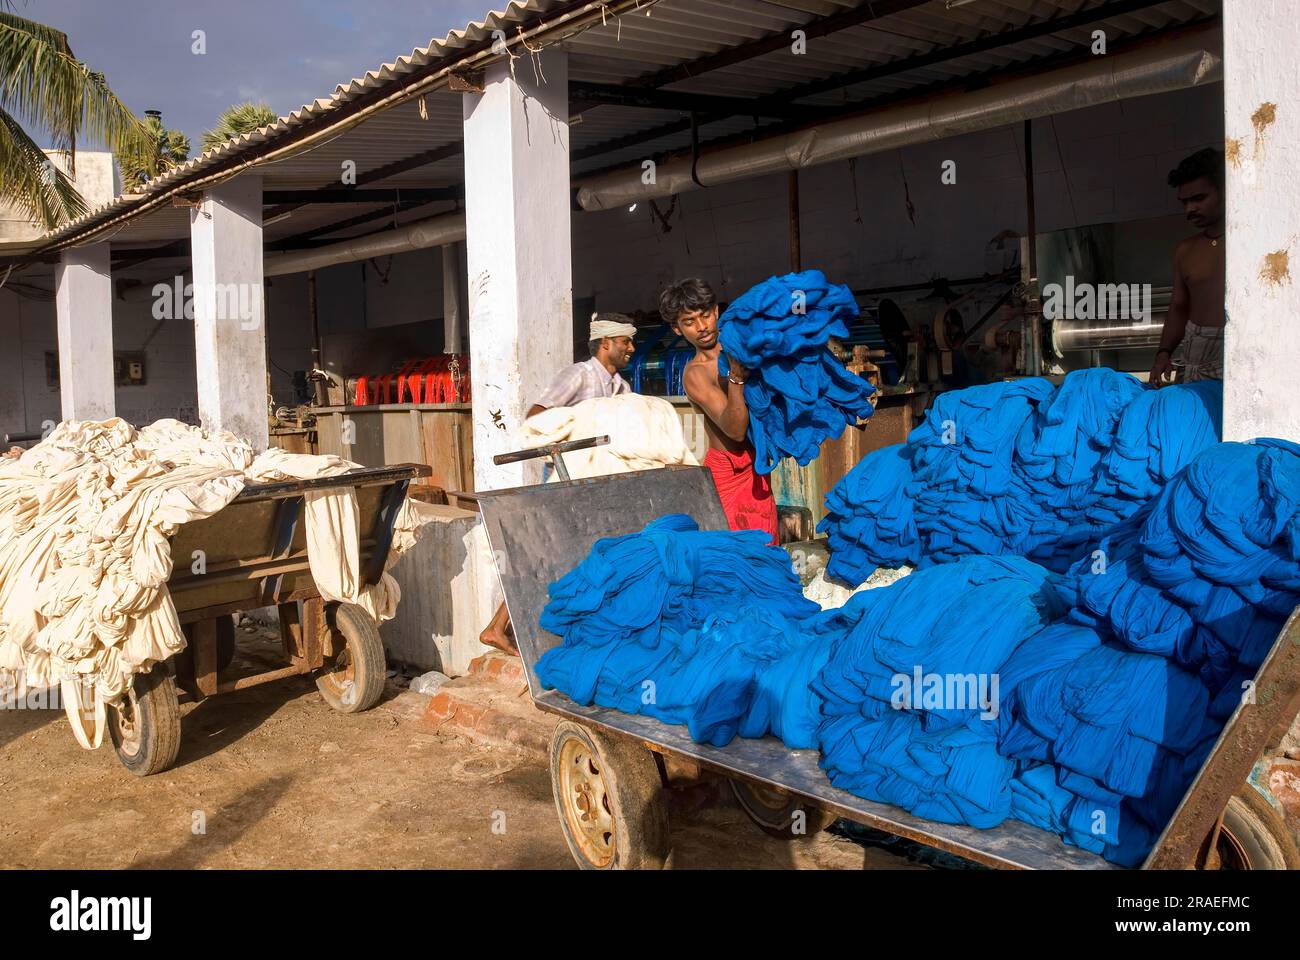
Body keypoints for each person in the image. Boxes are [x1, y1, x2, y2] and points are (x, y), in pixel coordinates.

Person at [479, 313, 639, 655]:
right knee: (546, 551)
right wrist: (577, 429)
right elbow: (536, 416)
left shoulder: (621, 388)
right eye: (625, 341)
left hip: (597, 482)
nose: (631, 347)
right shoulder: (578, 376)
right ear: (606, 343)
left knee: (581, 553)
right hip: (565, 476)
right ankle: (497, 627)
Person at [658, 277, 778, 543]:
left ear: (716, 312)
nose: (701, 327)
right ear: (677, 329)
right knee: (737, 554)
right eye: (689, 322)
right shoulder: (695, 374)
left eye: (704, 316)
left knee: (766, 548)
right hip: (729, 475)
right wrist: (736, 377)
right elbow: (735, 431)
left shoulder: (742, 346)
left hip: (757, 466)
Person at [1150, 148, 1226, 386]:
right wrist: (1163, 353)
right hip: (1195, 354)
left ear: (1226, 190)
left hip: (1239, 351)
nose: (1189, 209)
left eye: (1199, 199)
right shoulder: (1186, 250)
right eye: (1185, 202)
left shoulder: (1251, 242)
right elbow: (1179, 307)